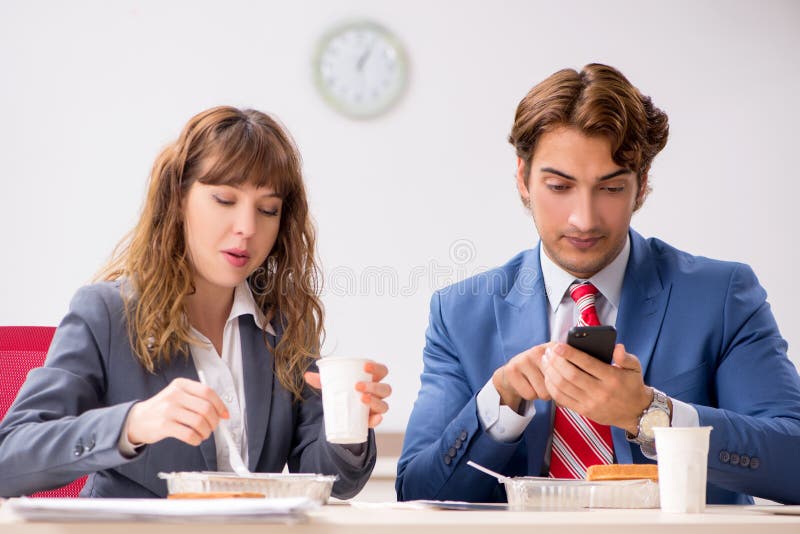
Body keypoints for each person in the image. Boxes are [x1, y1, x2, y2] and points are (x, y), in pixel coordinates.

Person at [396, 64, 800, 505]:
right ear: (522, 179)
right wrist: (500, 401)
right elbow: (416, 492)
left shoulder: (720, 297)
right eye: (559, 186)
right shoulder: (459, 313)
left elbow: (793, 463)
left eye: (609, 189)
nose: (583, 219)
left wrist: (648, 413)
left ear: (642, 186)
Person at [0, 106, 392, 498]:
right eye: (224, 200)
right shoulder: (106, 313)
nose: (247, 228)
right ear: (178, 199)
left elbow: (331, 480)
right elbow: (9, 458)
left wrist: (351, 426)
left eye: (267, 209)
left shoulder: (282, 325)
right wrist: (133, 423)